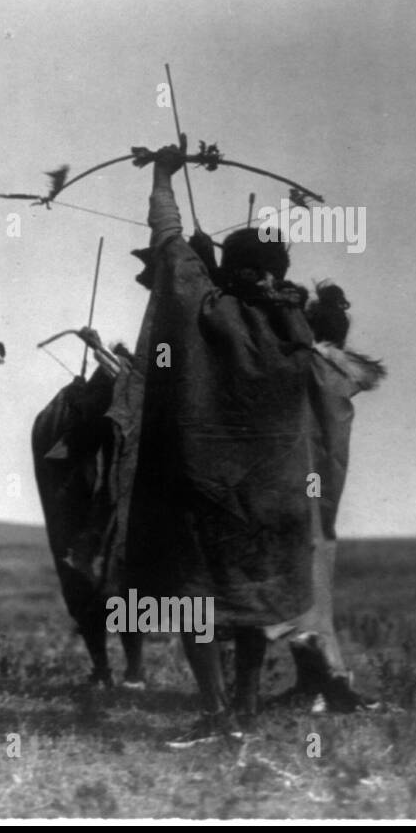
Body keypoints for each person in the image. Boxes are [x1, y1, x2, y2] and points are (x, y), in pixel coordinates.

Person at [124, 139, 318, 748]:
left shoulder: (206, 308)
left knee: (195, 597)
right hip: (275, 499)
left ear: (227, 272)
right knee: (254, 595)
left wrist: (163, 174)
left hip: (205, 494)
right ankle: (249, 704)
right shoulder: (299, 328)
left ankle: (217, 715)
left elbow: (169, 241)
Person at [266, 281, 385, 713]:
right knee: (314, 590)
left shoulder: (309, 368)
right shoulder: (336, 375)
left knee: (299, 590)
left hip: (294, 495)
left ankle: (326, 687)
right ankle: (323, 684)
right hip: (321, 502)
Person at [32, 328, 145, 690]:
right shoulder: (72, 418)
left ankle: (134, 671)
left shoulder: (133, 403)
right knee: (83, 589)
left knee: (127, 589)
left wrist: (98, 349)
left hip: (117, 516)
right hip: (82, 520)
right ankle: (104, 669)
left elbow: (124, 382)